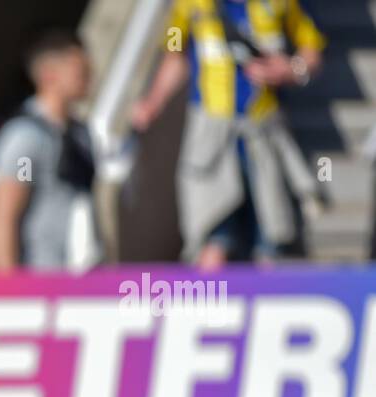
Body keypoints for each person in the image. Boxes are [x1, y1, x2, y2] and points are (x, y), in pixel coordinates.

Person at [131, 0, 325, 268]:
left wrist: (291, 69)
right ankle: (208, 307)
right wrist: (154, 101)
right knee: (212, 239)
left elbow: (312, 47)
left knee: (271, 242)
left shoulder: (283, 3)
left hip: (263, 134)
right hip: (211, 139)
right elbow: (174, 50)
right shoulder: (187, 6)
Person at [0, 30, 95, 271]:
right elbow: (5, 217)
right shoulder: (26, 136)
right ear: (49, 75)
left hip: (80, 278)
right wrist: (8, 291)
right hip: (39, 279)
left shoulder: (81, 133)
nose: (89, 77)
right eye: (80, 71)